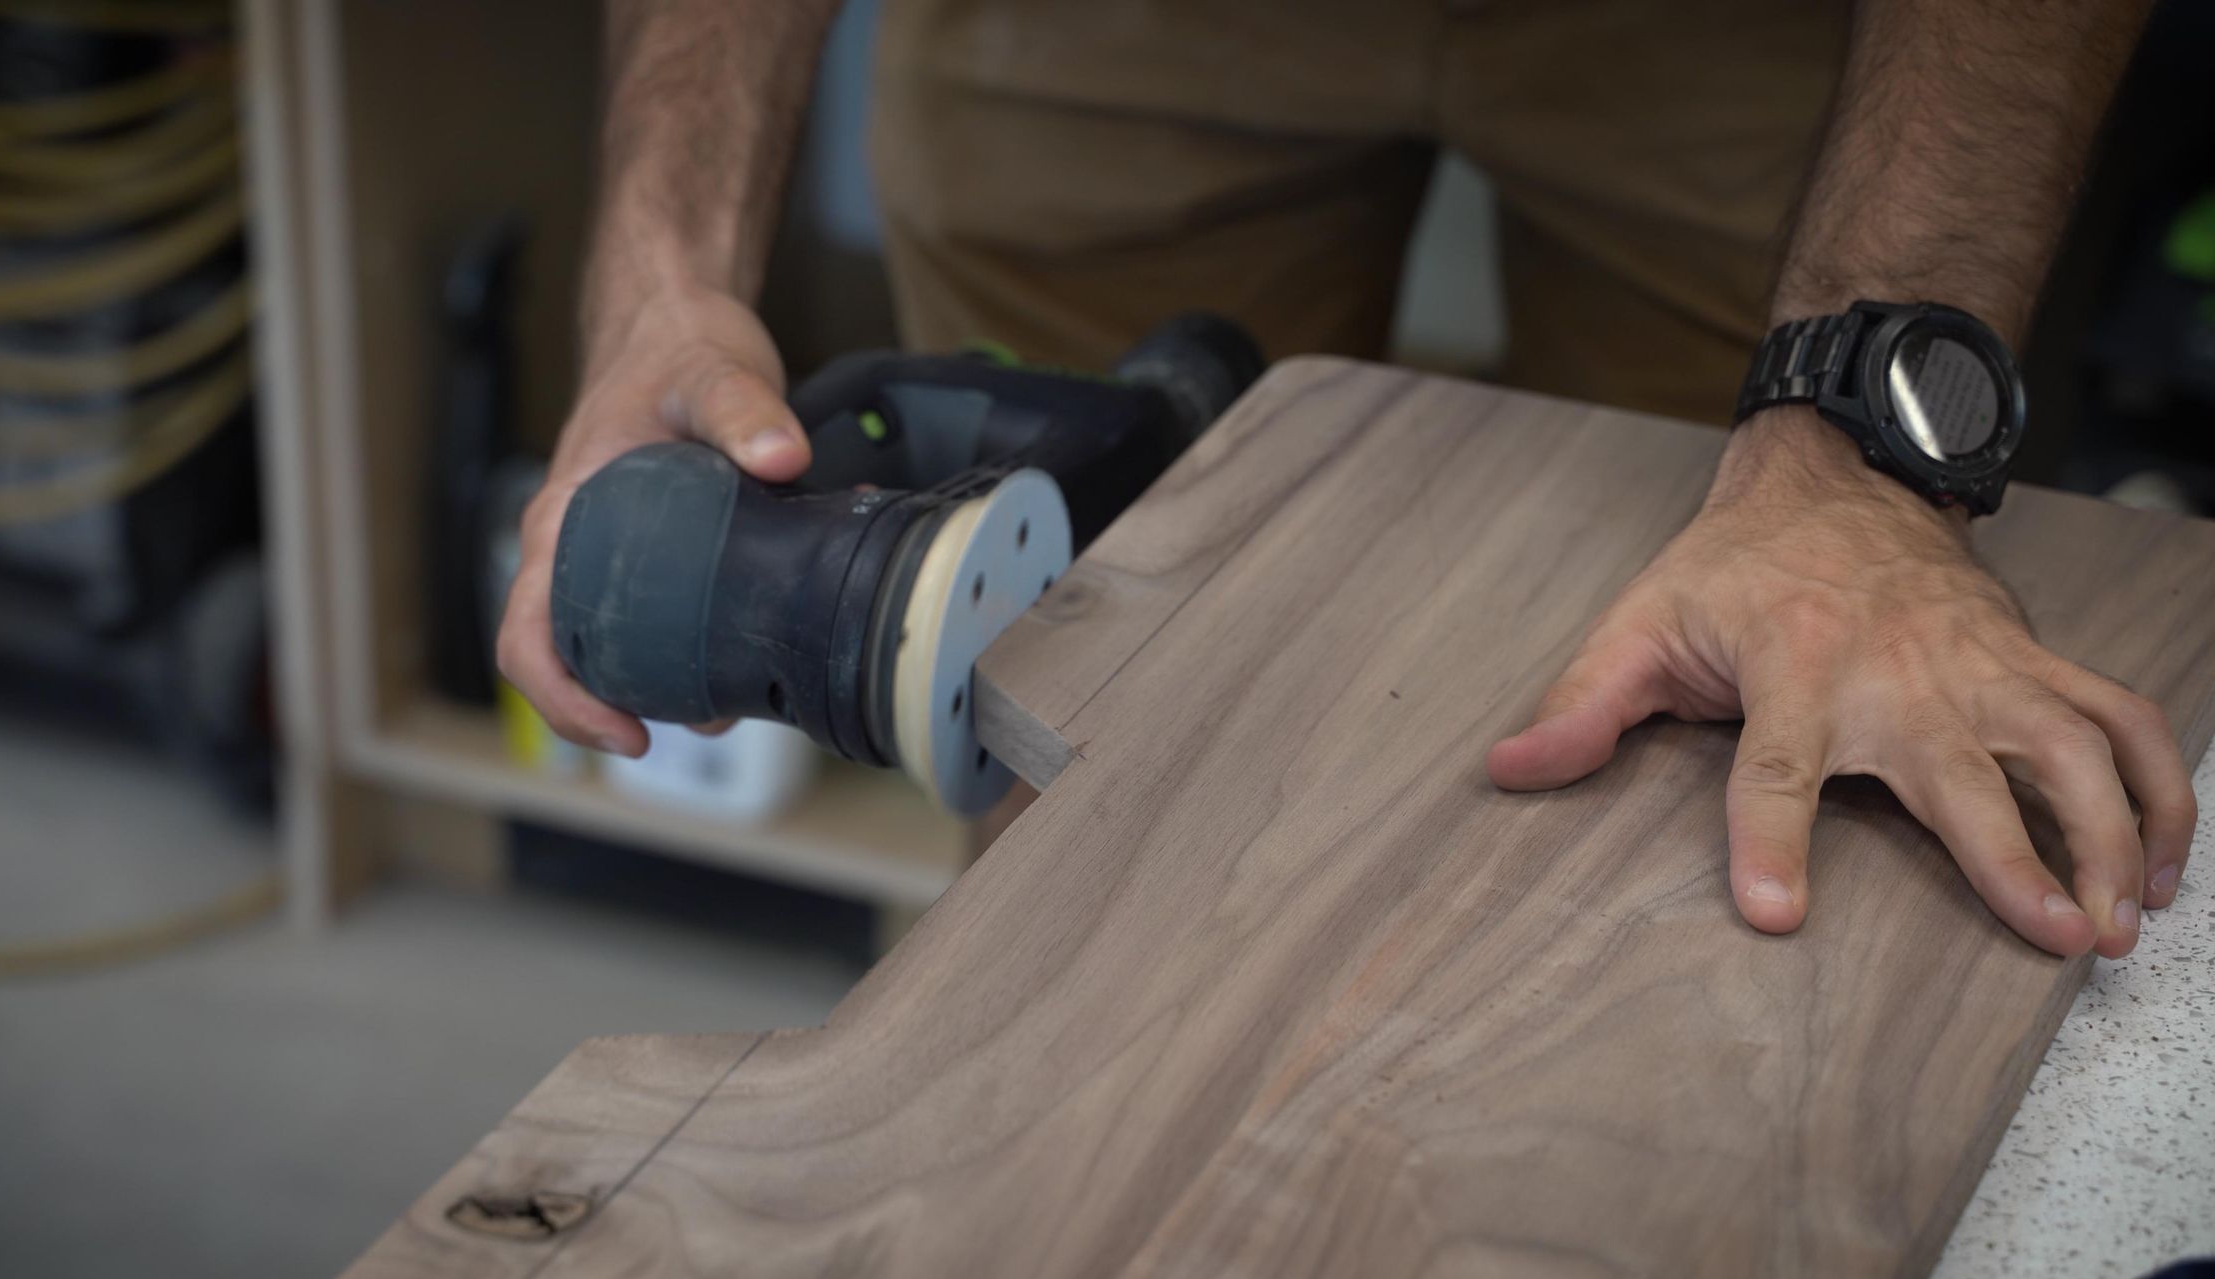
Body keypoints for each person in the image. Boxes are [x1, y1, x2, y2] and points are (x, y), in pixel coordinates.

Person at [498, 0, 2192, 961]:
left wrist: (1860, 449)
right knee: (1067, 798)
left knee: (1724, 771)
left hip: (1755, 43)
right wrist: (661, 264)